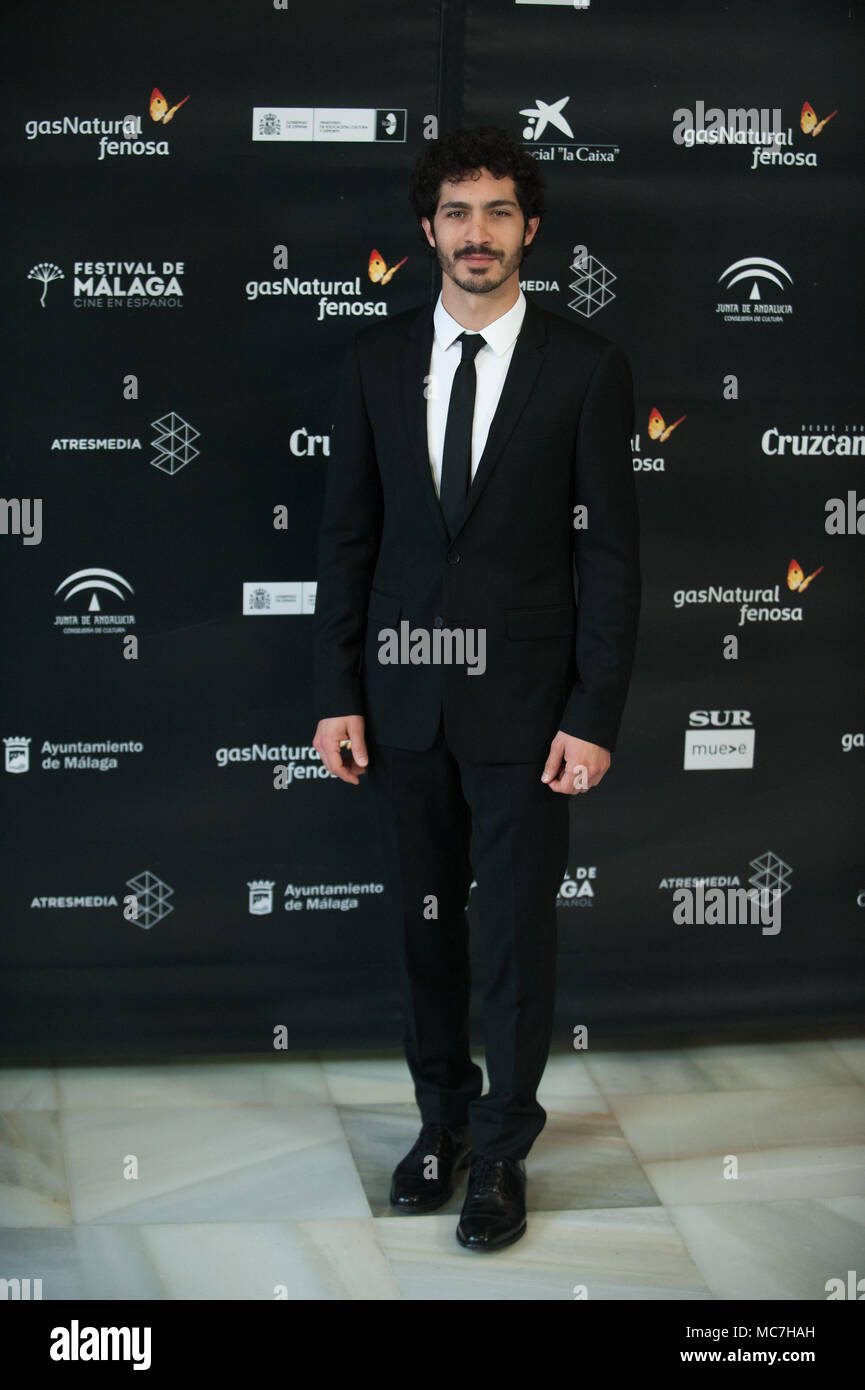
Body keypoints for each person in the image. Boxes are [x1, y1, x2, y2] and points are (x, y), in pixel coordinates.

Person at [312, 126, 640, 1252]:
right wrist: (336, 691)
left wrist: (590, 714)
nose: (477, 234)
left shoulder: (587, 366)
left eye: (498, 211)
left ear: (529, 229)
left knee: (509, 941)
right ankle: (438, 1125)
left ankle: (501, 1152)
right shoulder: (371, 361)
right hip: (403, 703)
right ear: (427, 230)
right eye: (457, 213)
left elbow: (610, 558)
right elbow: (349, 540)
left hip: (525, 711)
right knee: (425, 933)